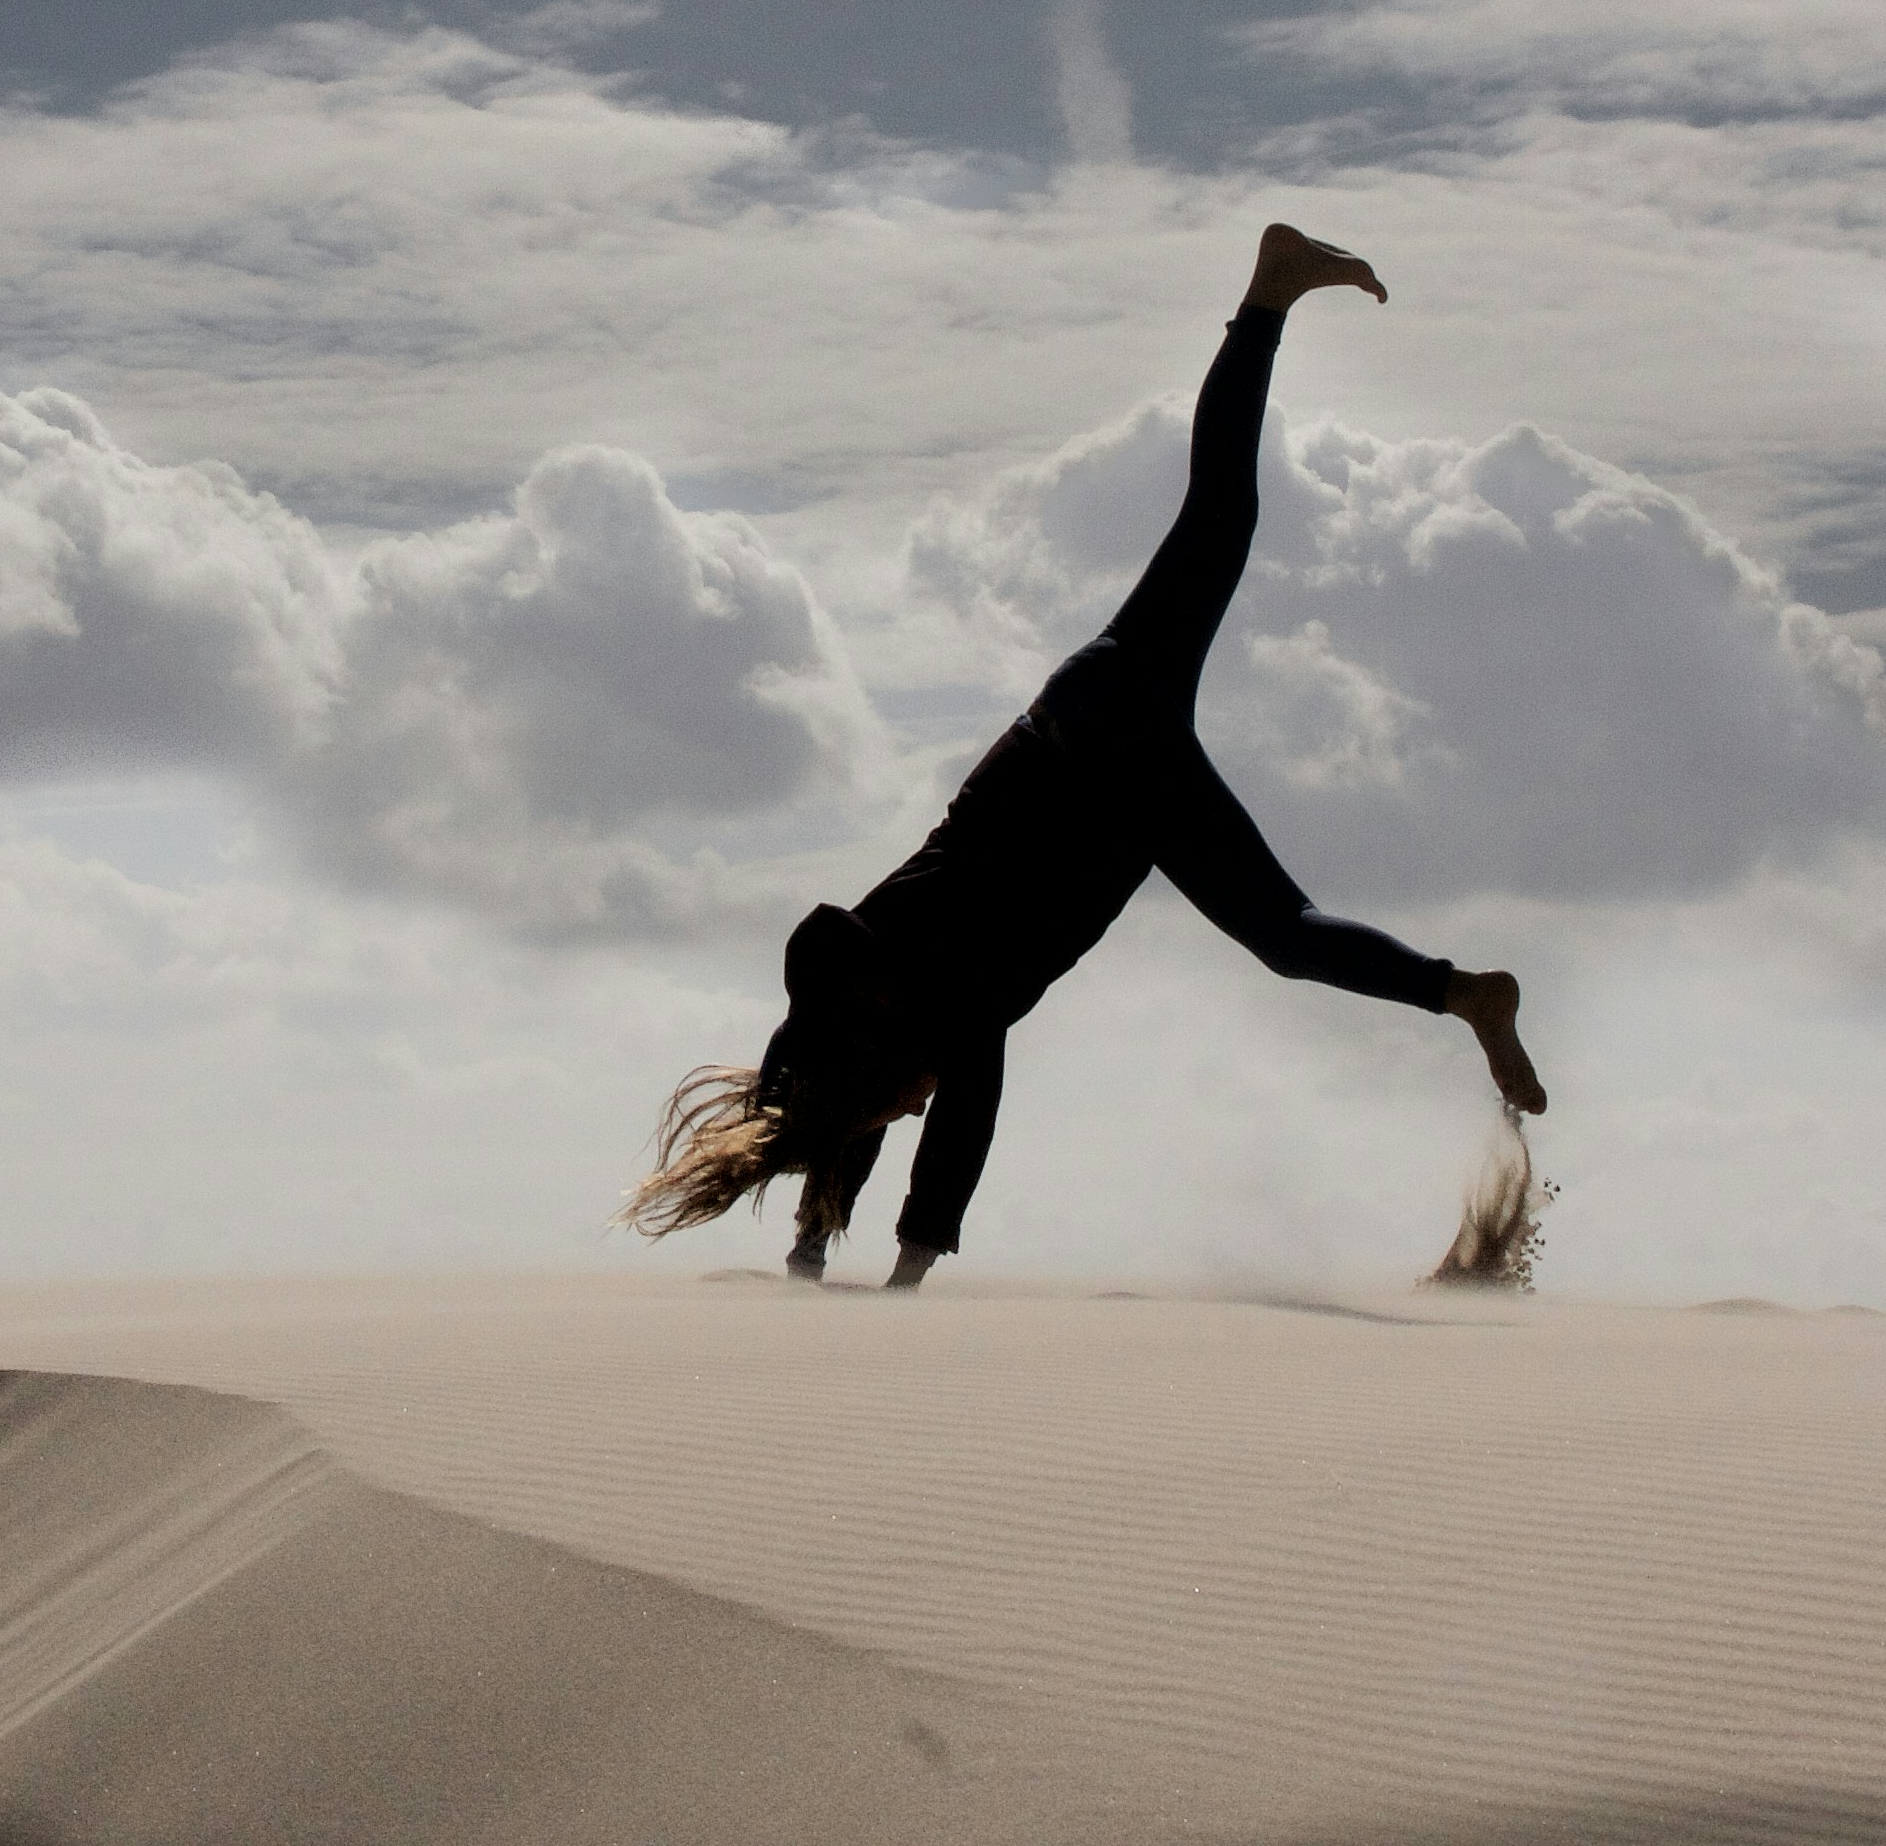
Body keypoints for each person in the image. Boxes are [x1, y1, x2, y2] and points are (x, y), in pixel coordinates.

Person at [621, 224, 1546, 1288]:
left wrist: (910, 1268)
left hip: (1109, 763)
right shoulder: (865, 994)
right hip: (1087, 704)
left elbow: (956, 1114)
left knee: (1286, 935)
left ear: (873, 1053)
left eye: (894, 1097)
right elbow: (861, 1095)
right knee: (1221, 514)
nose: (913, 1103)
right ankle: (1269, 299)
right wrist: (813, 1243)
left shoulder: (933, 996)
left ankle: (1463, 995)